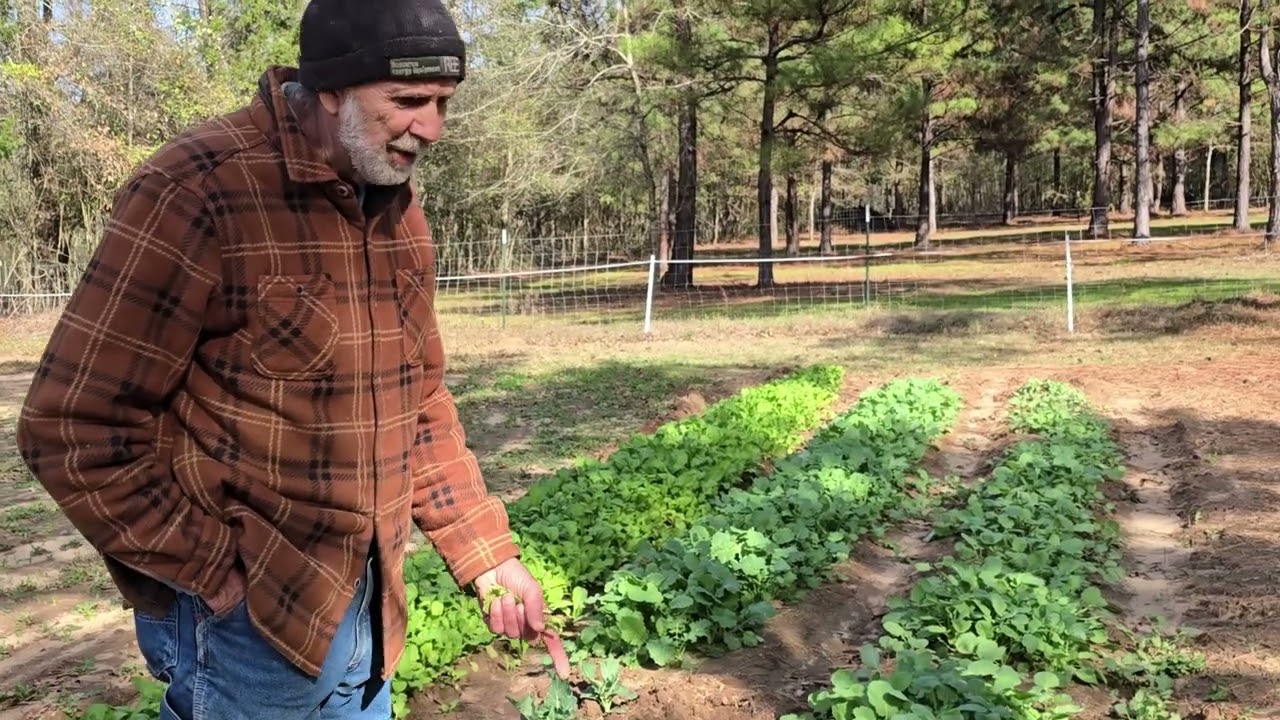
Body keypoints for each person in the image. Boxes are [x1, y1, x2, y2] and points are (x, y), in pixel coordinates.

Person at [14, 0, 568, 717]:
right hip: (248, 626)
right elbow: (72, 424)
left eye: (442, 103)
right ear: (330, 91)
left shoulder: (395, 207)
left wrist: (489, 553)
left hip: (371, 609)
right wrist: (213, 572)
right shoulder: (198, 192)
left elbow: (419, 402)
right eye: (407, 101)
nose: (431, 128)